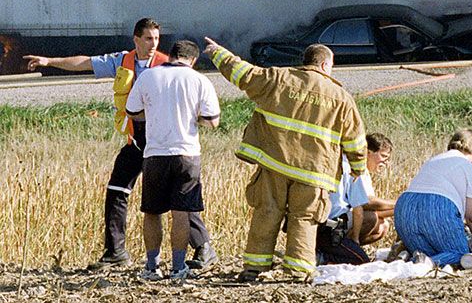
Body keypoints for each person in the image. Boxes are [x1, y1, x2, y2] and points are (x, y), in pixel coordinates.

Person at [22, 18, 216, 270]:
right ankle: (115, 251)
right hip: (137, 139)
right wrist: (49, 62)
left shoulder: (167, 65)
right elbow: (86, 63)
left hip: (162, 137)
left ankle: (203, 247)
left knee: (179, 198)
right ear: (135, 39)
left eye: (156, 39)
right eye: (148, 38)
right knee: (117, 189)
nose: (153, 44)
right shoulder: (122, 60)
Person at [204, 38, 367, 282]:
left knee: (267, 212)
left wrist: (217, 52)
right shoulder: (342, 98)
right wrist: (357, 168)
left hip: (275, 164)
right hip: (314, 173)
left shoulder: (279, 79)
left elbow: (242, 74)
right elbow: (356, 141)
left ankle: (254, 268)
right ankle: (298, 271)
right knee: (305, 218)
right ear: (324, 65)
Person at [125, 40, 220, 280]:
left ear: (170, 56)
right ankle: (178, 267)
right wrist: (192, 118)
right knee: (181, 212)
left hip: (155, 154)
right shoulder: (200, 80)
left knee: (152, 212)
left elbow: (132, 111)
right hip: (187, 153)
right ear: (193, 60)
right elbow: (212, 120)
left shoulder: (147, 76)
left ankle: (152, 266)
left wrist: (154, 114)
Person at [393, 129, 472, 267]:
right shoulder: (469, 168)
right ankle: (428, 263)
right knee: (460, 255)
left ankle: (408, 257)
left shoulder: (432, 160)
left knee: (427, 253)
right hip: (438, 207)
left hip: (405, 207)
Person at [316, 132, 394, 265]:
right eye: (383, 157)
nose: (386, 163)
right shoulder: (354, 168)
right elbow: (364, 204)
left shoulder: (355, 168)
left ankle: (341, 249)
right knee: (371, 219)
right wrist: (401, 204)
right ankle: (326, 254)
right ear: (368, 152)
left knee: (383, 225)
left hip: (335, 221)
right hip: (331, 224)